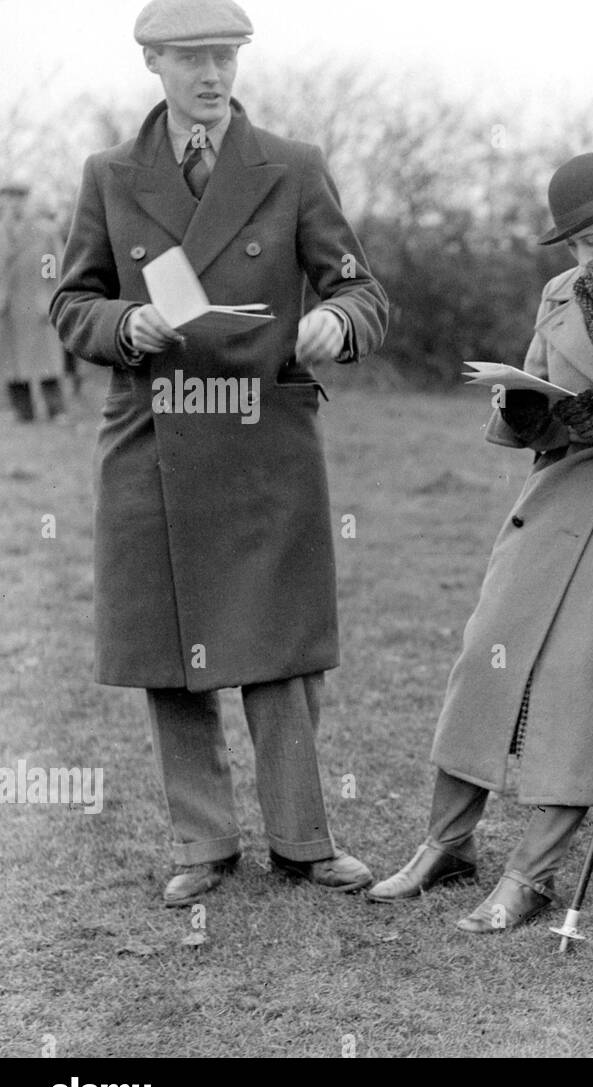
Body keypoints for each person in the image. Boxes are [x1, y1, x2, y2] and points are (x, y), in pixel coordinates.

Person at [50, 0, 388, 906]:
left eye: (227, 57)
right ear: (152, 64)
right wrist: (127, 321)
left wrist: (333, 320)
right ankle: (203, 841)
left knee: (279, 648)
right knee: (168, 650)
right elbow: (70, 303)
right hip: (151, 433)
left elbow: (363, 292)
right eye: (193, 58)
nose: (212, 76)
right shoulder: (111, 174)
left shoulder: (292, 168)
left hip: (264, 436)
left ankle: (303, 840)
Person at [367, 154, 593, 933]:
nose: (585, 257)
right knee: (485, 656)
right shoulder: (560, 293)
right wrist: (523, 412)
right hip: (554, 499)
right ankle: (447, 842)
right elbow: (539, 387)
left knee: (585, 683)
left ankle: (532, 873)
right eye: (574, 244)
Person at [1, 183, 68, 423]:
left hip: (37, 300)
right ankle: (23, 412)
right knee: (13, 363)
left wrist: (49, 296)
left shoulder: (44, 232)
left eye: (19, 198)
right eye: (8, 198)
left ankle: (56, 410)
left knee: (46, 359)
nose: (13, 203)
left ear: (28, 200)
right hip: (8, 306)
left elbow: (52, 266)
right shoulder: (2, 231)